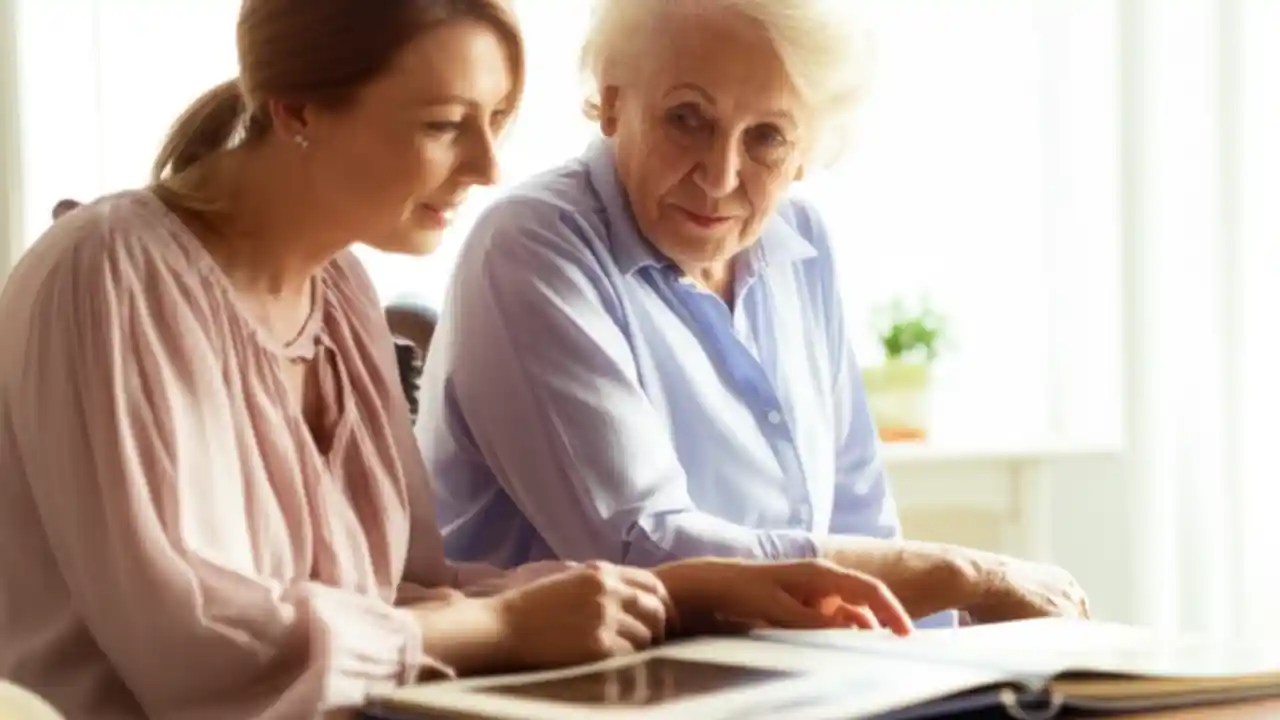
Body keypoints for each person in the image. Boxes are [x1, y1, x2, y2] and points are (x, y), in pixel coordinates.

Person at [0, 2, 913, 718]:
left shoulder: (341, 291)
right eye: (444, 124)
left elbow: (406, 593)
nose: (484, 167)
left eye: (498, 121)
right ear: (297, 108)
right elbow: (189, 656)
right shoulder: (112, 271)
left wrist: (686, 590)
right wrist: (502, 624)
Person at [419, 0, 1090, 627]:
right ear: (614, 103)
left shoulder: (802, 247)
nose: (719, 175)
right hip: (575, 692)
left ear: (804, 154)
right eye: (687, 118)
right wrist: (967, 576)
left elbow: (859, 520)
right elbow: (643, 550)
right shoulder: (534, 244)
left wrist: (955, 640)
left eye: (767, 136)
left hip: (766, 679)